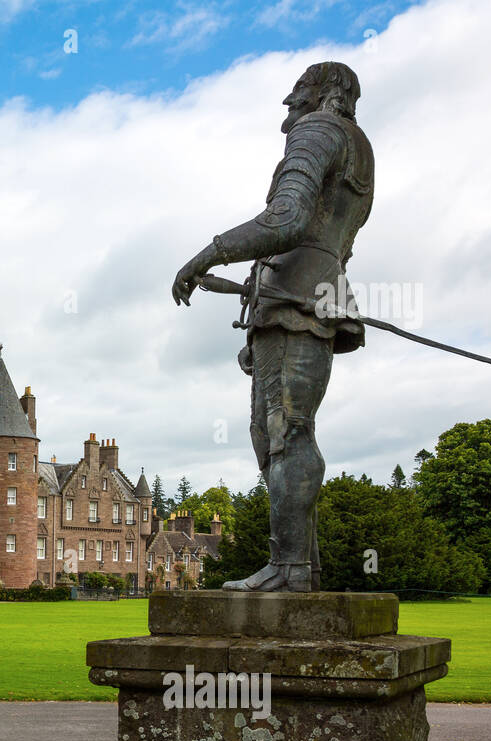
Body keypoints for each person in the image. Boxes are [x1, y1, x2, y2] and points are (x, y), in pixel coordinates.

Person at [171, 62, 374, 592]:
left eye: (300, 89)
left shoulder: (319, 131)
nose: (289, 101)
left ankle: (288, 571)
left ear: (328, 93)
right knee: (276, 436)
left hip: (295, 303)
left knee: (285, 433)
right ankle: (301, 568)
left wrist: (208, 254)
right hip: (304, 300)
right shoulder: (359, 146)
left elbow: (287, 219)